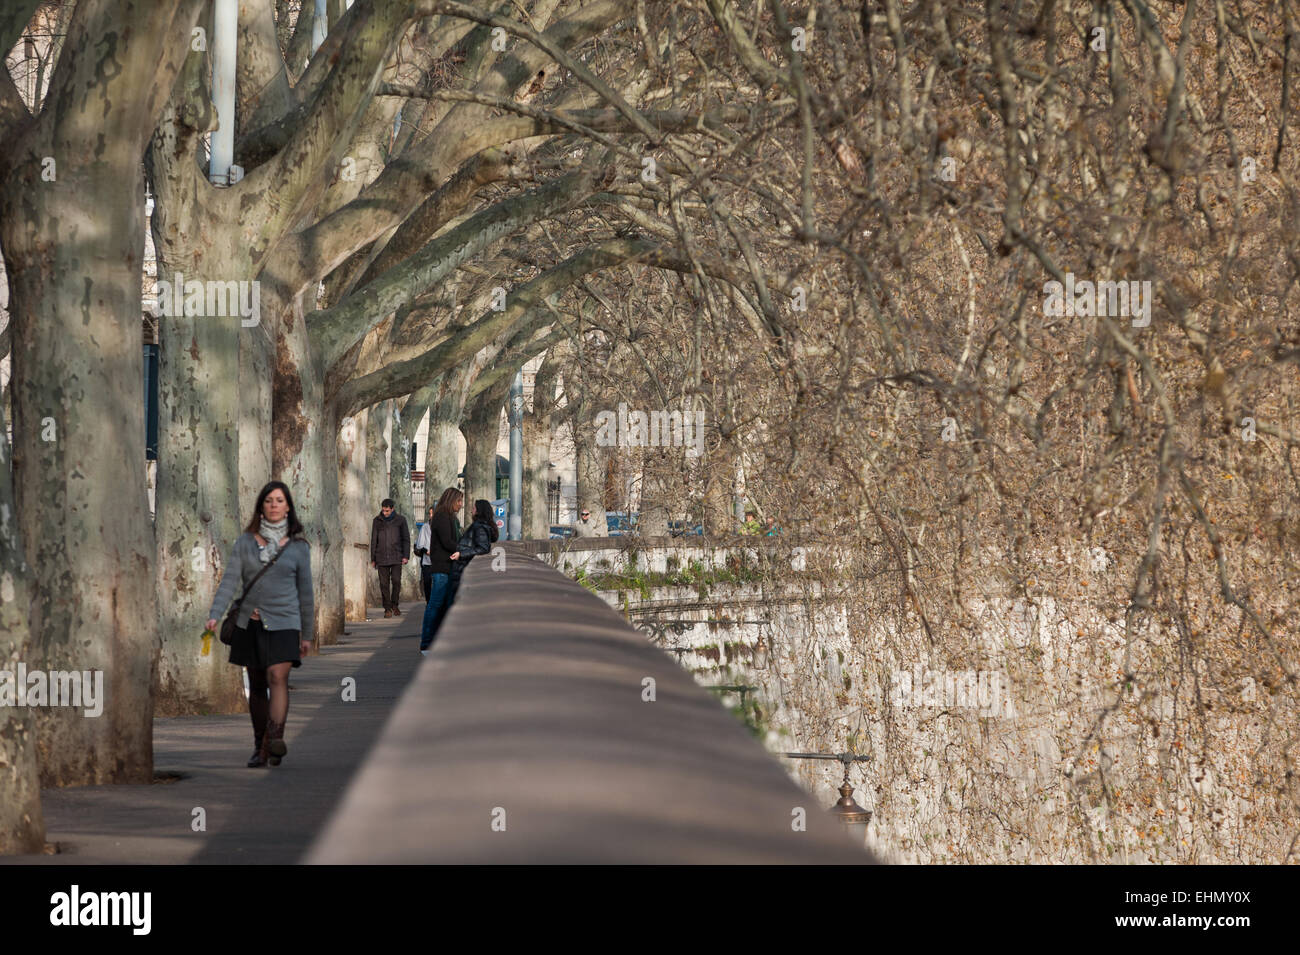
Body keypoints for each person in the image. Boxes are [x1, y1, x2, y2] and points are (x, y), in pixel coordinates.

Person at [206, 481, 313, 769]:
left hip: (285, 623)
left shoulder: (299, 547)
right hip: (249, 622)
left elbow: (306, 592)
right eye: (269, 500)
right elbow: (230, 581)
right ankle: (260, 745)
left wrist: (308, 634)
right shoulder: (245, 542)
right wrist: (215, 614)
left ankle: (275, 738)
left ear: (288, 506)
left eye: (279, 500)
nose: (274, 505)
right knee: (256, 683)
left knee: (277, 678)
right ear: (261, 506)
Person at [419, 487, 462, 656]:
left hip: (445, 567)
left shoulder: (447, 517)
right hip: (442, 567)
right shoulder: (443, 517)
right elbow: (447, 541)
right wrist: (464, 549)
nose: (460, 505)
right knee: (435, 605)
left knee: (441, 606)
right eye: (459, 501)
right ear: (451, 500)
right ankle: (426, 643)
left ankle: (433, 641)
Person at [448, 499, 500, 601]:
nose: (471, 511)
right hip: (461, 568)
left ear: (479, 511)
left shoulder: (479, 526)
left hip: (461, 568)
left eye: (474, 508)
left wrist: (461, 554)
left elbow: (483, 548)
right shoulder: (480, 526)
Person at [370, 498, 410, 618]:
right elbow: (374, 540)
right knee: (384, 584)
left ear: (392, 509)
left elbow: (406, 539)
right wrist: (373, 558)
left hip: (397, 556)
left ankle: (395, 604)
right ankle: (387, 608)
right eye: (383, 510)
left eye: (387, 511)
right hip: (381, 557)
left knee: (396, 581)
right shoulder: (377, 521)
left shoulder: (401, 520)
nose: (385, 513)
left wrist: (406, 556)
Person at [413, 503, 436, 602]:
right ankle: (428, 601)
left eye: (433, 513)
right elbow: (419, 545)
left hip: (438, 560)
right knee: (427, 582)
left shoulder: (442, 526)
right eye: (429, 514)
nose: (431, 516)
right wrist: (426, 551)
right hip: (427, 560)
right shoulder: (425, 527)